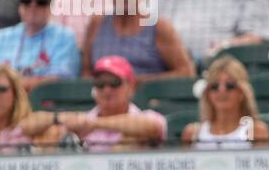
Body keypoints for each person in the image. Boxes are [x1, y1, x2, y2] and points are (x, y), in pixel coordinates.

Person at [20, 54, 166, 151]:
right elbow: (24, 127)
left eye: (114, 83)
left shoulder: (147, 116)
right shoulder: (81, 121)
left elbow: (152, 128)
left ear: (130, 87)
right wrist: (60, 119)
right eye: (100, 84)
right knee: (52, 133)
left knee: (133, 139)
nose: (107, 90)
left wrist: (94, 123)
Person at [84, 0, 194, 80]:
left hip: (151, 97)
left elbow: (186, 72)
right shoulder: (97, 23)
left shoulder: (159, 27)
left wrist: (143, 82)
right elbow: (86, 71)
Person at [0, 0, 79, 91]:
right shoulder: (1, 37)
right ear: (20, 5)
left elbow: (62, 78)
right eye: (26, 0)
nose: (33, 6)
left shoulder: (64, 36)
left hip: (45, 105)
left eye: (41, 1)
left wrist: (12, 86)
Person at [182, 55, 269, 149]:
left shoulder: (256, 131)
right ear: (207, 93)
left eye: (230, 85)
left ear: (242, 93)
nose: (221, 91)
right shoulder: (192, 134)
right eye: (214, 86)